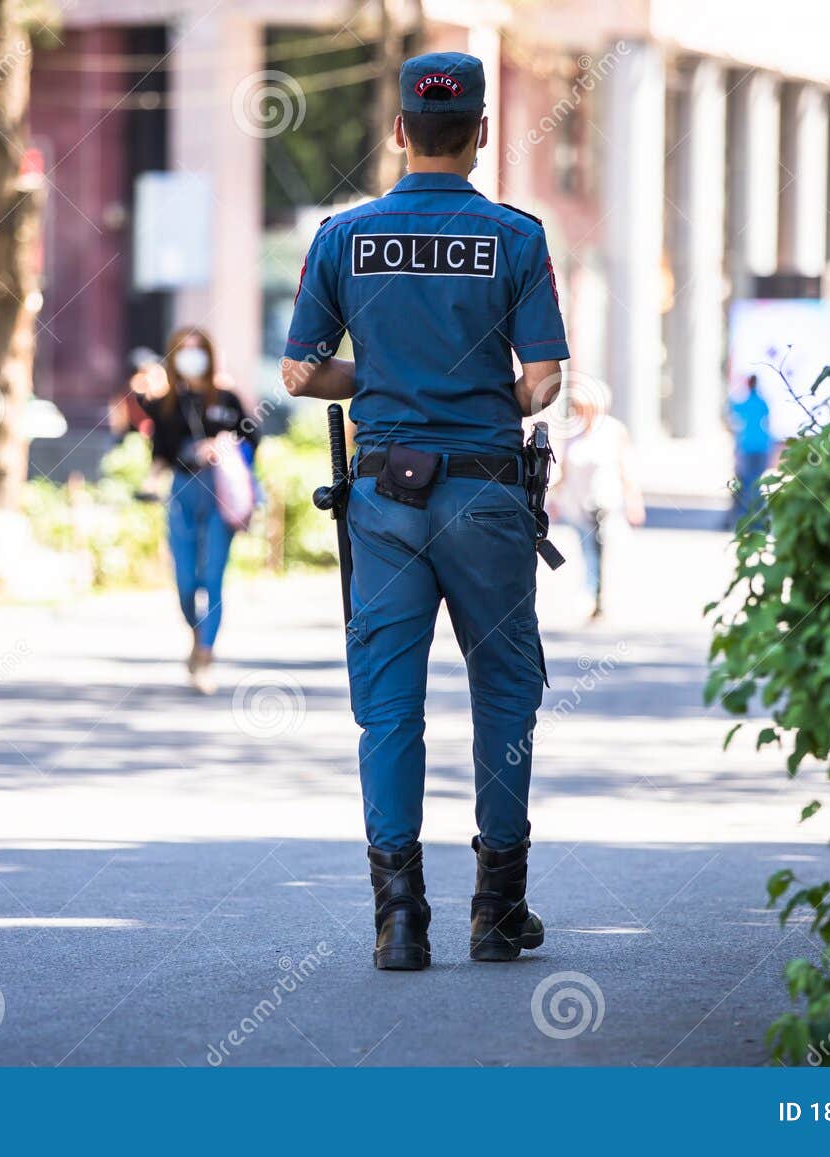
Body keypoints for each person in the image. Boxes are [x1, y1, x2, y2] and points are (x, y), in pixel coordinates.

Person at [281, 51, 567, 971]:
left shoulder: (344, 237)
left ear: (399, 131)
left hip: (383, 500)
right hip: (485, 495)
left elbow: (298, 373)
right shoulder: (515, 238)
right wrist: (476, 389)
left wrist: (387, 382)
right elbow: (544, 382)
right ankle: (497, 910)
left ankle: (399, 919)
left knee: (391, 709)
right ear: (481, 134)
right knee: (505, 699)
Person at [129, 327, 257, 695]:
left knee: (213, 577)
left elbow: (253, 440)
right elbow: (160, 457)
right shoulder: (166, 404)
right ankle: (198, 633)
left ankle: (204, 656)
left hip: (221, 494)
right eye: (183, 350)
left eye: (198, 349)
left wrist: (225, 444)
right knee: (186, 582)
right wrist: (150, 484)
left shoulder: (227, 399)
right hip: (182, 491)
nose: (192, 356)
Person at [549, 382, 645, 620]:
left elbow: (626, 468)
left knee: (604, 548)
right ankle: (593, 593)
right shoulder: (571, 432)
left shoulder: (614, 431)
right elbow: (563, 467)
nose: (583, 414)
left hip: (606, 502)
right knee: (587, 549)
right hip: (578, 504)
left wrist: (634, 501)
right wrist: (552, 497)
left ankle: (599, 594)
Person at [726, 372, 774, 527]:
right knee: (757, 483)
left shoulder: (743, 403)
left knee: (746, 484)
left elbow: (730, 412)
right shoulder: (762, 402)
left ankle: (745, 520)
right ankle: (759, 520)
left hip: (746, 447)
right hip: (762, 447)